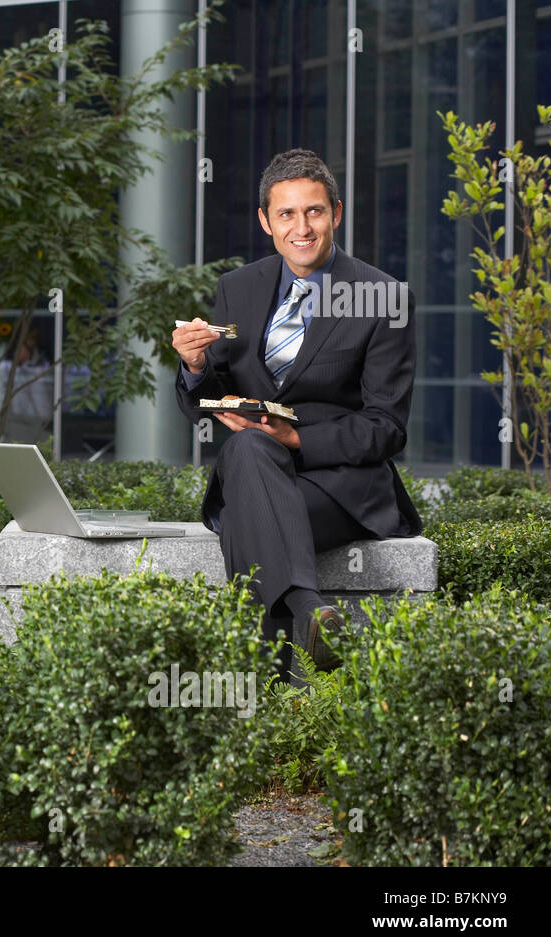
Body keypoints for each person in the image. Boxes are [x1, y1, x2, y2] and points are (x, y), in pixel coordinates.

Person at [172, 148, 422, 685]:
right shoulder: (238, 289)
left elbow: (387, 427)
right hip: (260, 471)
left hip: (340, 490)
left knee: (245, 510)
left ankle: (271, 701)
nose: (301, 227)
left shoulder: (382, 298)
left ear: (336, 212)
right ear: (266, 221)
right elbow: (209, 391)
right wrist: (194, 366)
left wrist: (297, 438)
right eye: (286, 214)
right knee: (246, 449)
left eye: (314, 212)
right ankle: (309, 615)